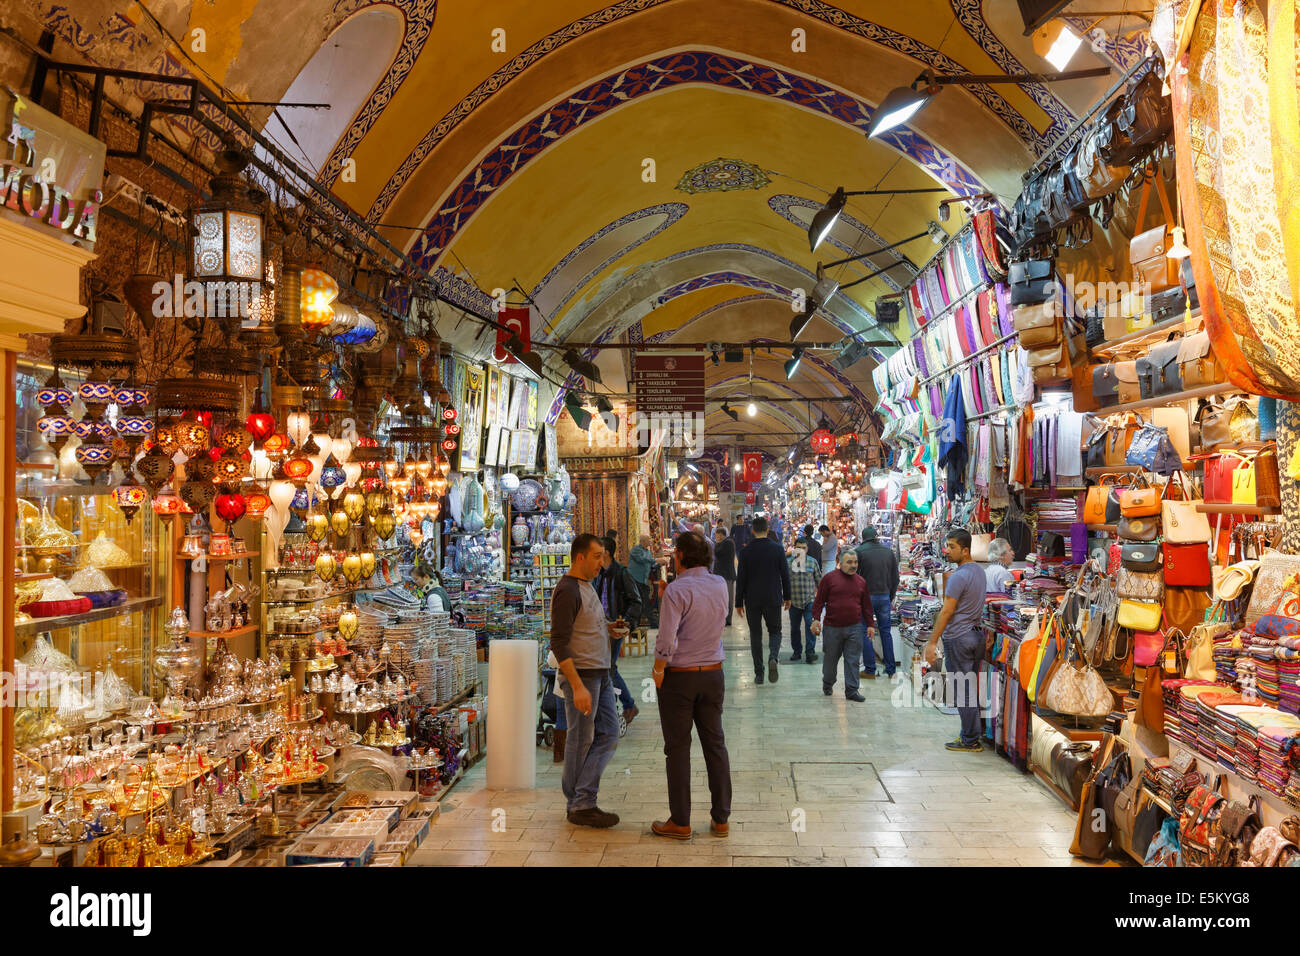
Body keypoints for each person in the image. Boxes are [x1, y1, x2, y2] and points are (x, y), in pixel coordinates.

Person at [649, 531, 733, 840]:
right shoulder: (720, 584)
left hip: (680, 677)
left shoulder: (676, 589)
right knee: (715, 744)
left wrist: (658, 668)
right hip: (713, 673)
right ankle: (721, 819)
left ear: (680, 557)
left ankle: (681, 821)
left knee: (678, 748)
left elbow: (667, 637)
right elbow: (710, 618)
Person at [550, 533, 621, 827]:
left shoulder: (586, 586)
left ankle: (581, 798)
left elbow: (585, 624)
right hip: (583, 675)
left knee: (608, 733)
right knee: (580, 739)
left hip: (599, 673)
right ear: (580, 557)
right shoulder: (568, 590)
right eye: (596, 556)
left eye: (603, 556)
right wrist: (576, 685)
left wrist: (608, 628)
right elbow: (558, 642)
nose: (601, 563)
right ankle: (580, 803)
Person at [923, 529, 988, 753]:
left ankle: (970, 739)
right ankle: (972, 734)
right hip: (975, 635)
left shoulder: (958, 576)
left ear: (966, 550)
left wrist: (932, 642)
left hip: (959, 637)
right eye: (947, 546)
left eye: (952, 547)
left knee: (963, 689)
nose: (947, 550)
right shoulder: (979, 572)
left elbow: (946, 611)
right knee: (969, 687)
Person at [811, 550, 877, 701]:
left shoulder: (861, 582)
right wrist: (815, 619)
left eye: (855, 562)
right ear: (840, 562)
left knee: (853, 660)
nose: (853, 565)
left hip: (854, 627)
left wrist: (870, 625)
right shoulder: (828, 579)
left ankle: (852, 690)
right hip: (832, 628)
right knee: (830, 660)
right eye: (849, 562)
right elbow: (819, 601)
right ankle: (827, 683)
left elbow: (867, 606)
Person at [734, 515, 791, 685]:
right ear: (767, 530)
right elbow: (785, 575)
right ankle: (773, 657)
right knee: (775, 631)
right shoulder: (777, 549)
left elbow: (741, 578)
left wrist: (738, 602)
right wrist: (787, 596)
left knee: (755, 634)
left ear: (752, 531)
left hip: (752, 599)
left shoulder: (745, 552)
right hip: (773, 597)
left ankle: (759, 674)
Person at [593, 537, 643, 727]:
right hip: (601, 627)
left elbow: (636, 601)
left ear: (606, 552)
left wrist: (626, 624)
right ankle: (616, 706)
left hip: (615, 627)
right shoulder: (599, 573)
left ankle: (628, 705)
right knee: (606, 668)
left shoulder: (621, 573)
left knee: (609, 668)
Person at [854, 527, 900, 678]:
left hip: (866, 597)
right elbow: (895, 578)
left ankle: (870, 669)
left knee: (865, 631)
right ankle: (891, 669)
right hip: (884, 596)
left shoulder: (859, 552)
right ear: (876, 536)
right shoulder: (888, 552)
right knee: (886, 632)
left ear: (863, 538)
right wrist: (890, 595)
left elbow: (854, 577)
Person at [786, 540, 821, 663]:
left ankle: (810, 652)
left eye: (803, 548)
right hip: (793, 601)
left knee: (810, 625)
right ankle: (797, 651)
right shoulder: (788, 563)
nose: (801, 550)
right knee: (794, 628)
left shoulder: (813, 562)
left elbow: (819, 581)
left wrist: (821, 600)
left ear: (807, 549)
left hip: (809, 600)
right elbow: (783, 582)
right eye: (798, 547)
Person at [627, 534, 658, 625]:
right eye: (649, 539)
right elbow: (641, 559)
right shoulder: (636, 549)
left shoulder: (647, 552)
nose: (651, 540)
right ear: (643, 541)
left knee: (644, 602)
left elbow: (650, 564)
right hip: (634, 579)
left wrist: (659, 564)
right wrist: (655, 560)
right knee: (641, 602)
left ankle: (638, 623)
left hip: (643, 581)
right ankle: (652, 623)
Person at [712, 527, 736, 626]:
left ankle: (728, 619)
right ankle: (724, 618)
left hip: (727, 575)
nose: (715, 537)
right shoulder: (724, 543)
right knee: (722, 597)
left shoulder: (728, 543)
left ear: (721, 535)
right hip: (721, 575)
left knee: (728, 598)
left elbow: (718, 553)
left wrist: (717, 544)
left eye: (716, 535)